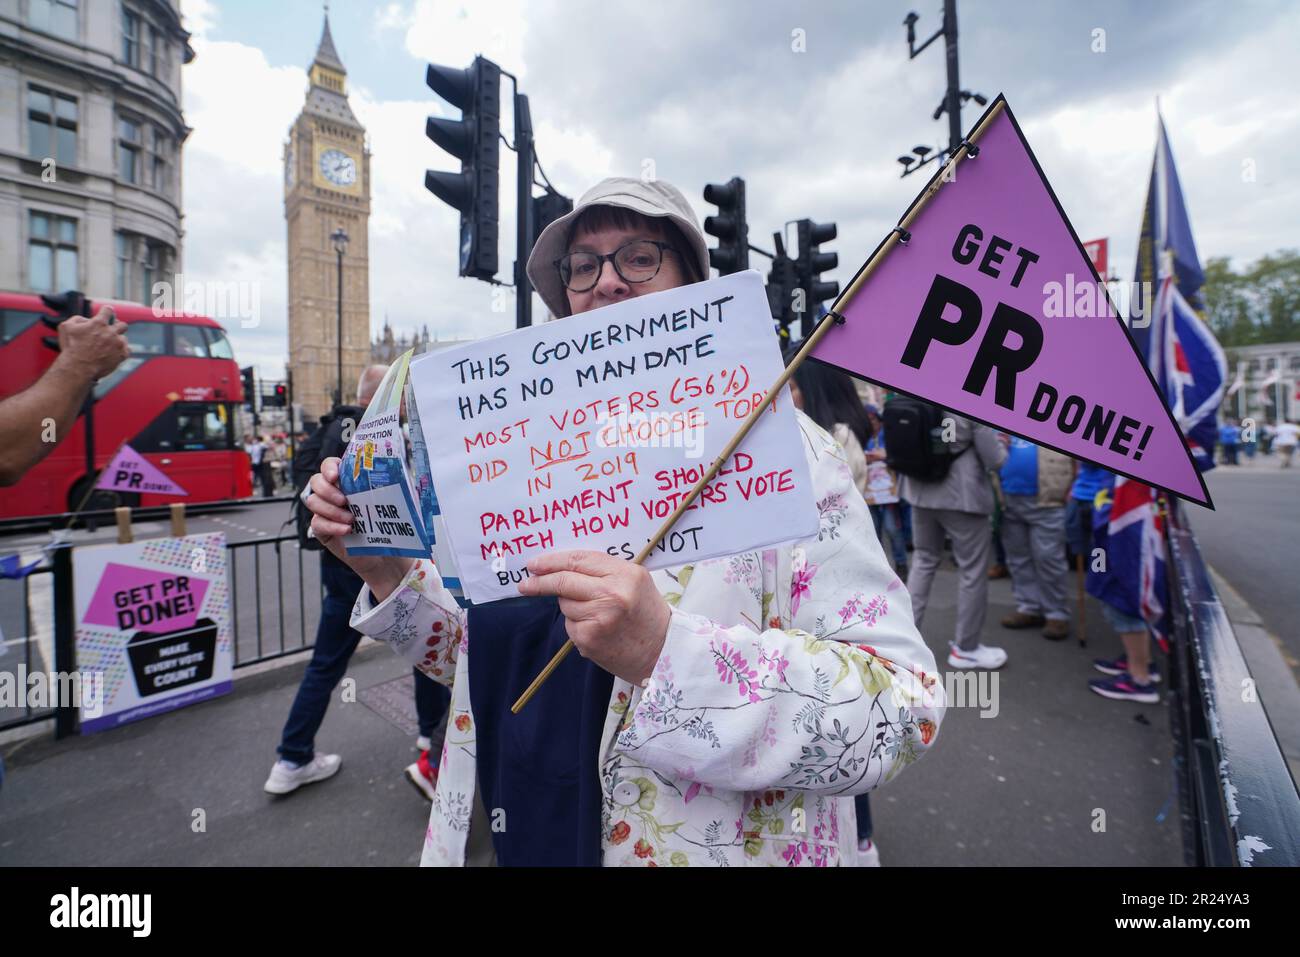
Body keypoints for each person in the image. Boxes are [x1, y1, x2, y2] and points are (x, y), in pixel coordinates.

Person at [304, 177, 944, 866]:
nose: (605, 282)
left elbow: (902, 709)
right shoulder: (511, 469)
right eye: (582, 266)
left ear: (693, 285)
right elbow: (485, 669)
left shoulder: (787, 451)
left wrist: (668, 655)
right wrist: (385, 572)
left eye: (639, 256)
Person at [265, 365, 451, 797]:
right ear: (382, 397)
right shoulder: (364, 432)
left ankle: (293, 756)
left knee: (334, 660)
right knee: (393, 643)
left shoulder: (333, 427)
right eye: (402, 397)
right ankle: (294, 756)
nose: (406, 405)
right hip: (361, 564)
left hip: (345, 566)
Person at [787, 357, 894, 868]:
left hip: (833, 580)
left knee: (842, 724)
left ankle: (863, 836)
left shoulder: (826, 440)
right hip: (810, 576)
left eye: (796, 384)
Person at [900, 414, 1008, 670]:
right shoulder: (968, 404)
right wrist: (1002, 441)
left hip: (919, 491)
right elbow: (996, 460)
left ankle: (903, 641)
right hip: (962, 497)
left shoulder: (914, 391)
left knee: (923, 562)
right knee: (972, 571)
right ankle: (966, 648)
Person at [0, 306, 128, 486]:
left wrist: (83, 375)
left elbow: (42, 440)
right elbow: (6, 459)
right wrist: (79, 363)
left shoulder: (47, 429)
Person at [996, 438, 1073, 641]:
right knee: (1017, 558)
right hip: (1008, 499)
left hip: (1049, 500)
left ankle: (1056, 613)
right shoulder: (1002, 417)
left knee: (1049, 559)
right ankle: (1029, 607)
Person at [861, 404, 909, 579]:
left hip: (889, 493)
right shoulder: (860, 437)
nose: (871, 423)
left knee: (893, 529)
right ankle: (880, 568)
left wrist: (885, 456)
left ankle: (901, 564)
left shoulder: (890, 435)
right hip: (869, 493)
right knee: (874, 531)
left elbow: (900, 457)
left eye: (873, 419)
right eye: (867, 420)